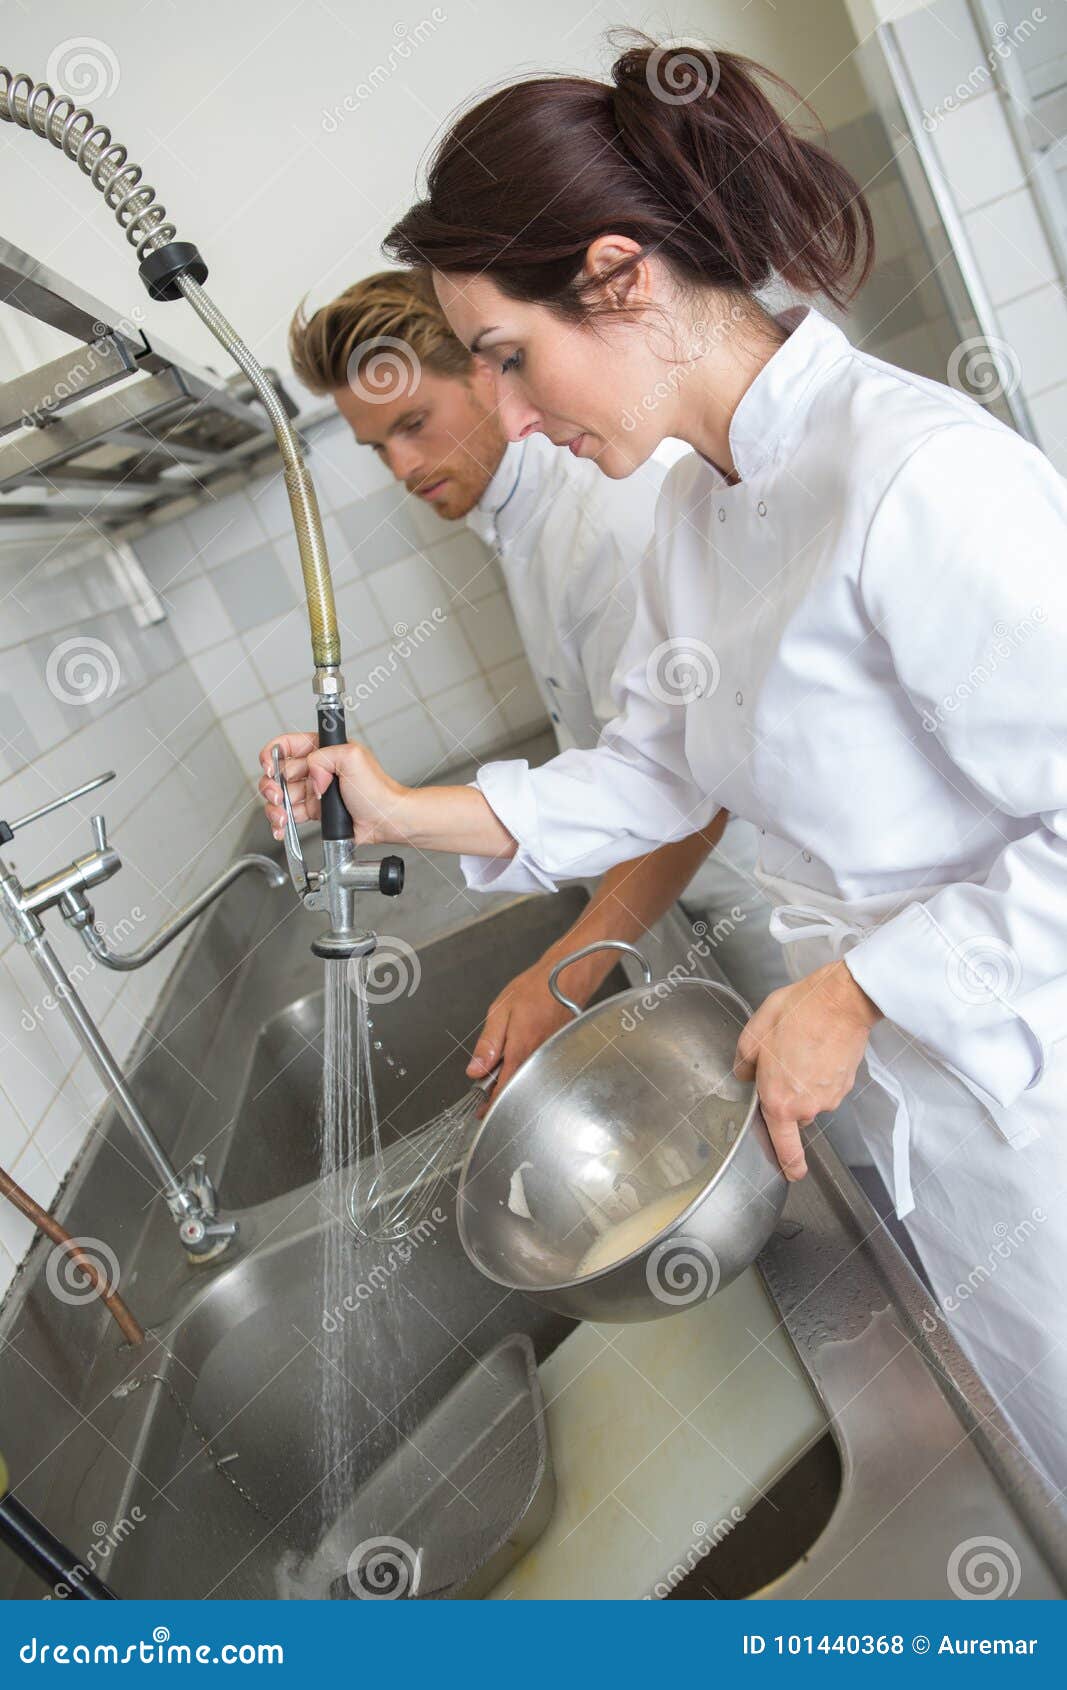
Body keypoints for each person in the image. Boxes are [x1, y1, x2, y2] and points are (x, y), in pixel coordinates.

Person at [260, 41, 1067, 1490]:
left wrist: (859, 984)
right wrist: (392, 805)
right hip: (928, 1120)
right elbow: (653, 766)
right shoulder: (703, 511)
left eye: (507, 353)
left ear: (621, 278)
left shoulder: (911, 475)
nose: (506, 410)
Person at [287, 268, 787, 1103]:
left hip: (755, 908)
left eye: (414, 424)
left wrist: (564, 971)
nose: (403, 467)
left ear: (483, 374)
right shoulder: (519, 518)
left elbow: (691, 784)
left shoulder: (606, 519)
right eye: (378, 446)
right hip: (685, 911)